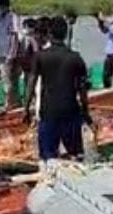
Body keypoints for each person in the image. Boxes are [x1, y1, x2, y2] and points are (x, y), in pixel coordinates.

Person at [23, 16, 93, 164]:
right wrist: (86, 112)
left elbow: (31, 83)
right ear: (65, 34)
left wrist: (26, 109)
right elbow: (82, 89)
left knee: (47, 157)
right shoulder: (75, 58)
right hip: (71, 111)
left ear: (49, 33)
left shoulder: (40, 56)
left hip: (48, 112)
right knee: (76, 156)